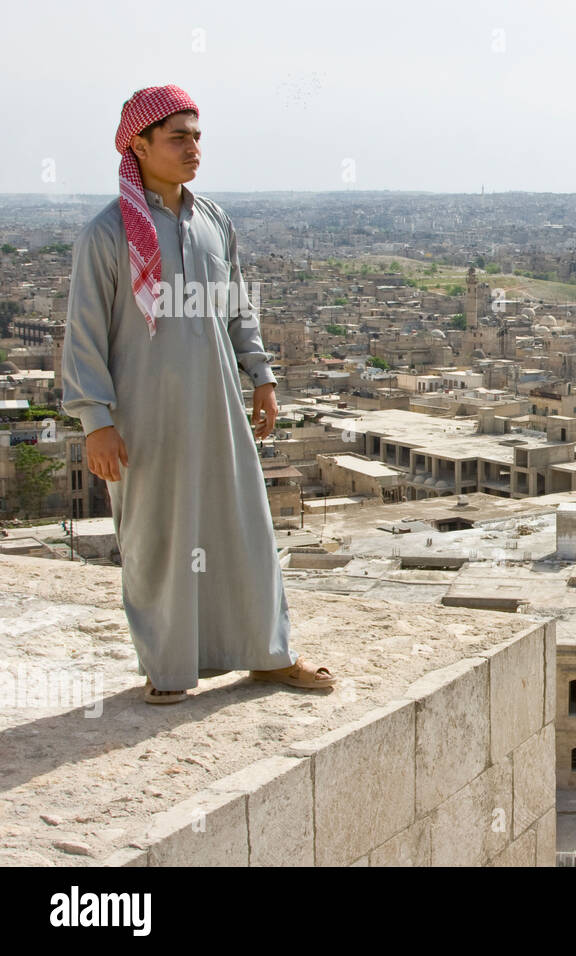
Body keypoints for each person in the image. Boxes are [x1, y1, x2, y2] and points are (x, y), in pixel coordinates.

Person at [60, 85, 336, 703]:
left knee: (244, 526)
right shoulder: (107, 234)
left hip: (217, 406)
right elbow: (83, 332)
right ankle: (171, 669)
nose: (193, 148)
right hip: (142, 414)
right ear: (139, 144)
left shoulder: (214, 222)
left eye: (197, 135)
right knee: (159, 538)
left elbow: (238, 308)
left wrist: (260, 375)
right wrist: (95, 422)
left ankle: (269, 654)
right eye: (178, 136)